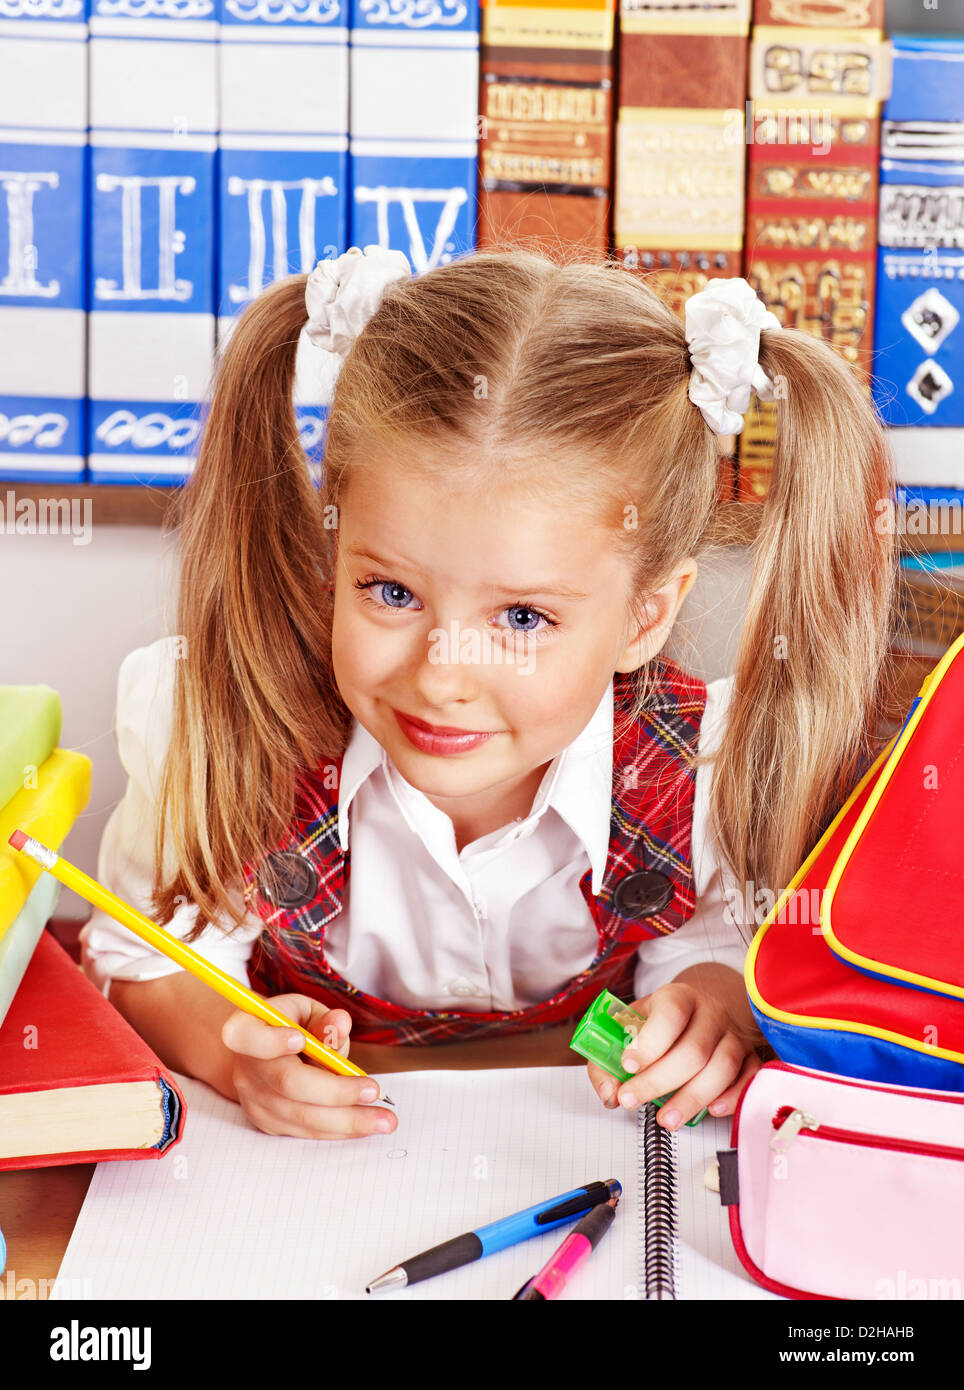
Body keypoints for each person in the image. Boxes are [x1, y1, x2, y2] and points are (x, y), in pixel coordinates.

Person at [80, 245, 899, 1142]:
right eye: (391, 593)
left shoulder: (700, 771)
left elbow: (702, 958)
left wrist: (713, 1003)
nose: (440, 674)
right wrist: (238, 1060)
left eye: (522, 617)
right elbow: (145, 963)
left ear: (644, 618)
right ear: (334, 548)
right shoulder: (228, 728)